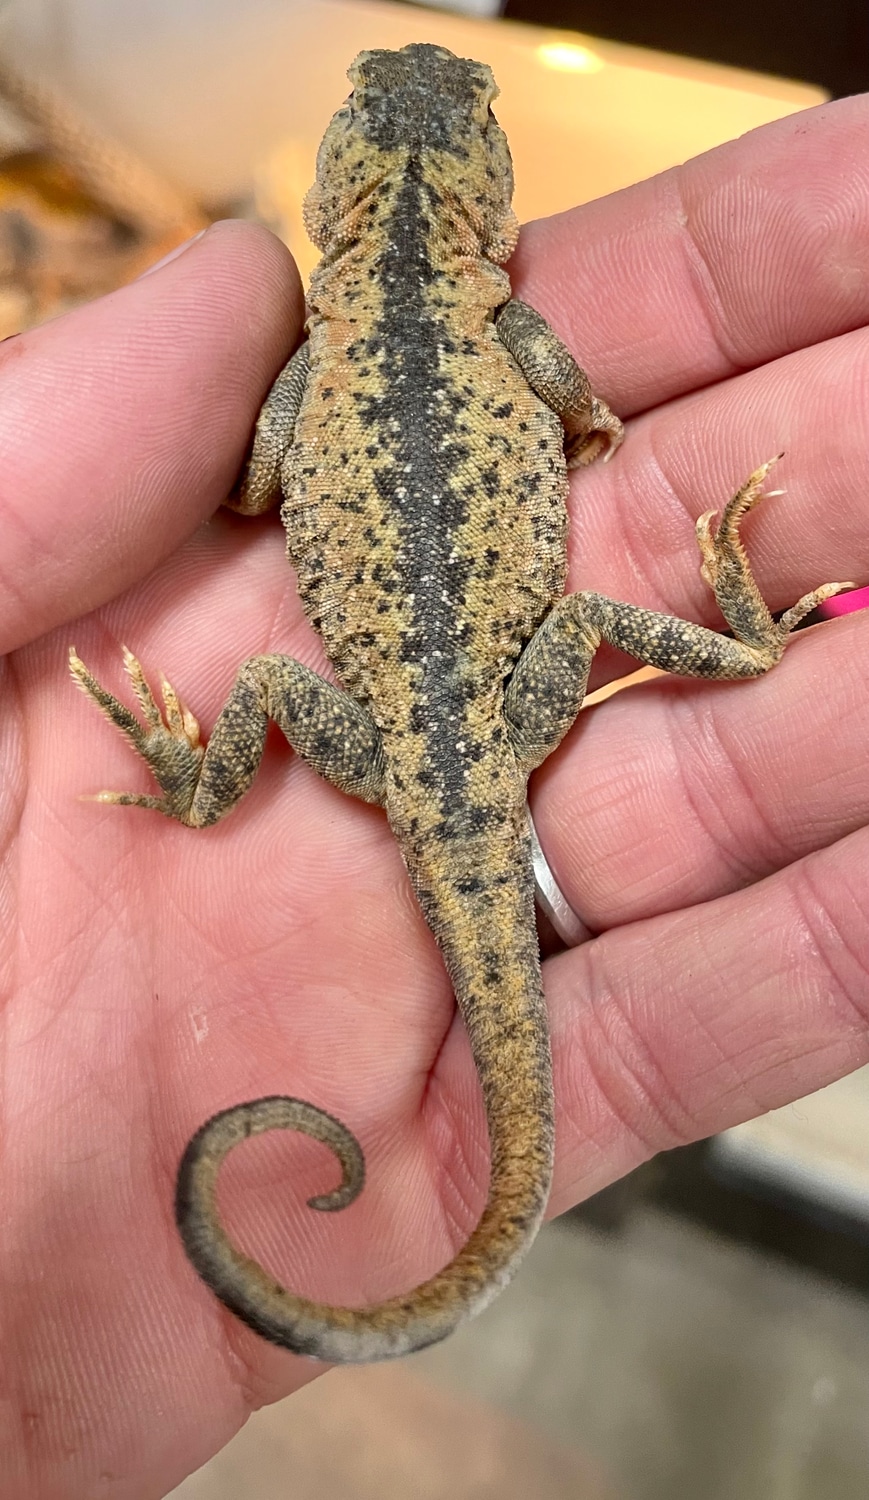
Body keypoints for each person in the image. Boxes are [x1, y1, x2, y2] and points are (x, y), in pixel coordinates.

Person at [1, 92, 866, 1498]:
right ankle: (750, 642)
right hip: (474, 711)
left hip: (393, 734)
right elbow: (580, 407)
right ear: (486, 207)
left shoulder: (315, 358)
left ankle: (195, 790)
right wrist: (585, 422)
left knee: (278, 693)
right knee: (588, 604)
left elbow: (249, 488)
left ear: (338, 206)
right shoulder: (506, 333)